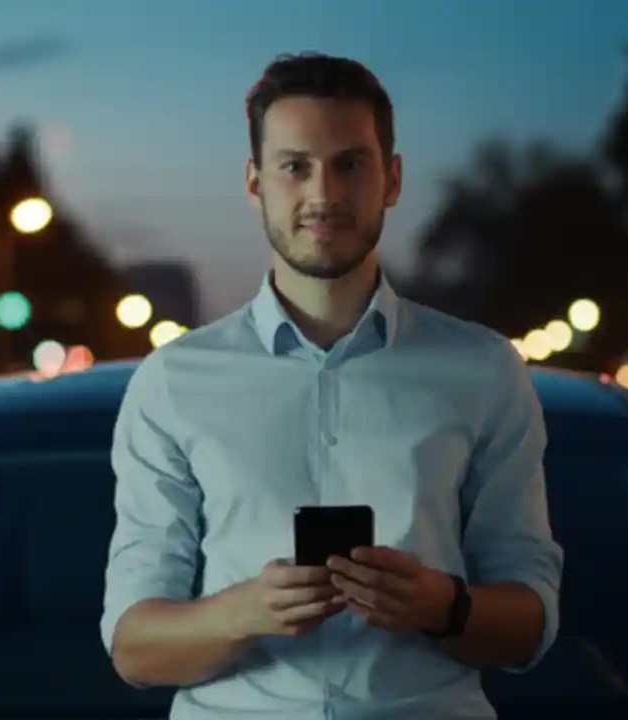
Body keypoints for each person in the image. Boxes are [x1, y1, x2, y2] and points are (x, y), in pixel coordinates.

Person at [100, 51, 563, 719]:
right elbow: (133, 647)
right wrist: (243, 612)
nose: (324, 195)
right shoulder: (172, 383)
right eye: (295, 167)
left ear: (393, 178)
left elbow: (531, 620)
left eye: (350, 163)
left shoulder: (484, 370)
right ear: (255, 182)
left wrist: (444, 606)